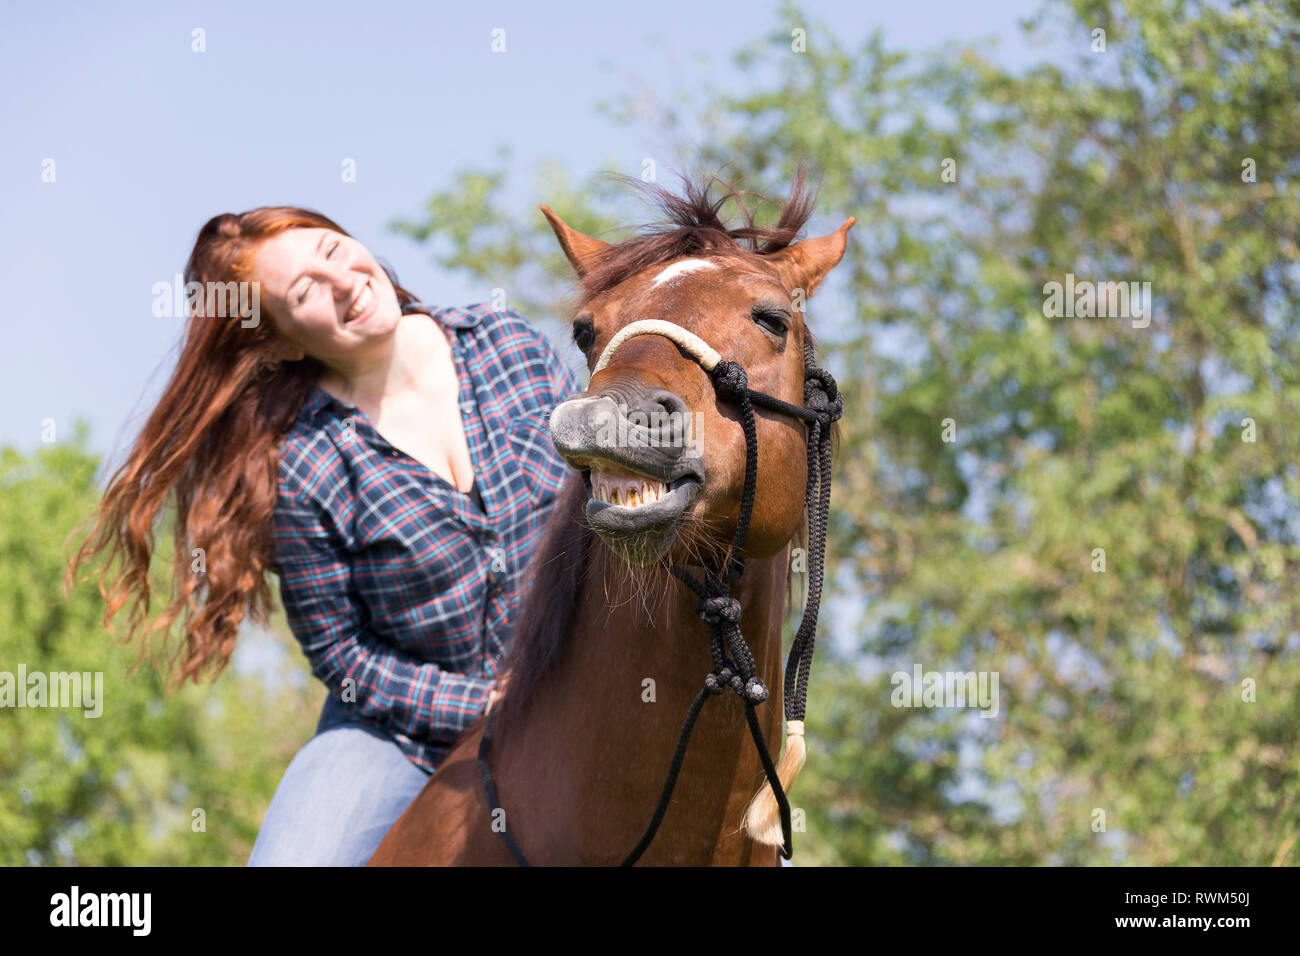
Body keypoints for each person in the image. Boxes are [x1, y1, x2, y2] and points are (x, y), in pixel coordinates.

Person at [68, 207, 580, 865]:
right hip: (401, 736)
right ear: (281, 343)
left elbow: (592, 499)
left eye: (335, 251)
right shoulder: (303, 465)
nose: (342, 280)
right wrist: (482, 703)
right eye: (306, 291)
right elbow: (344, 655)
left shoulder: (504, 340)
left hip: (570, 674)